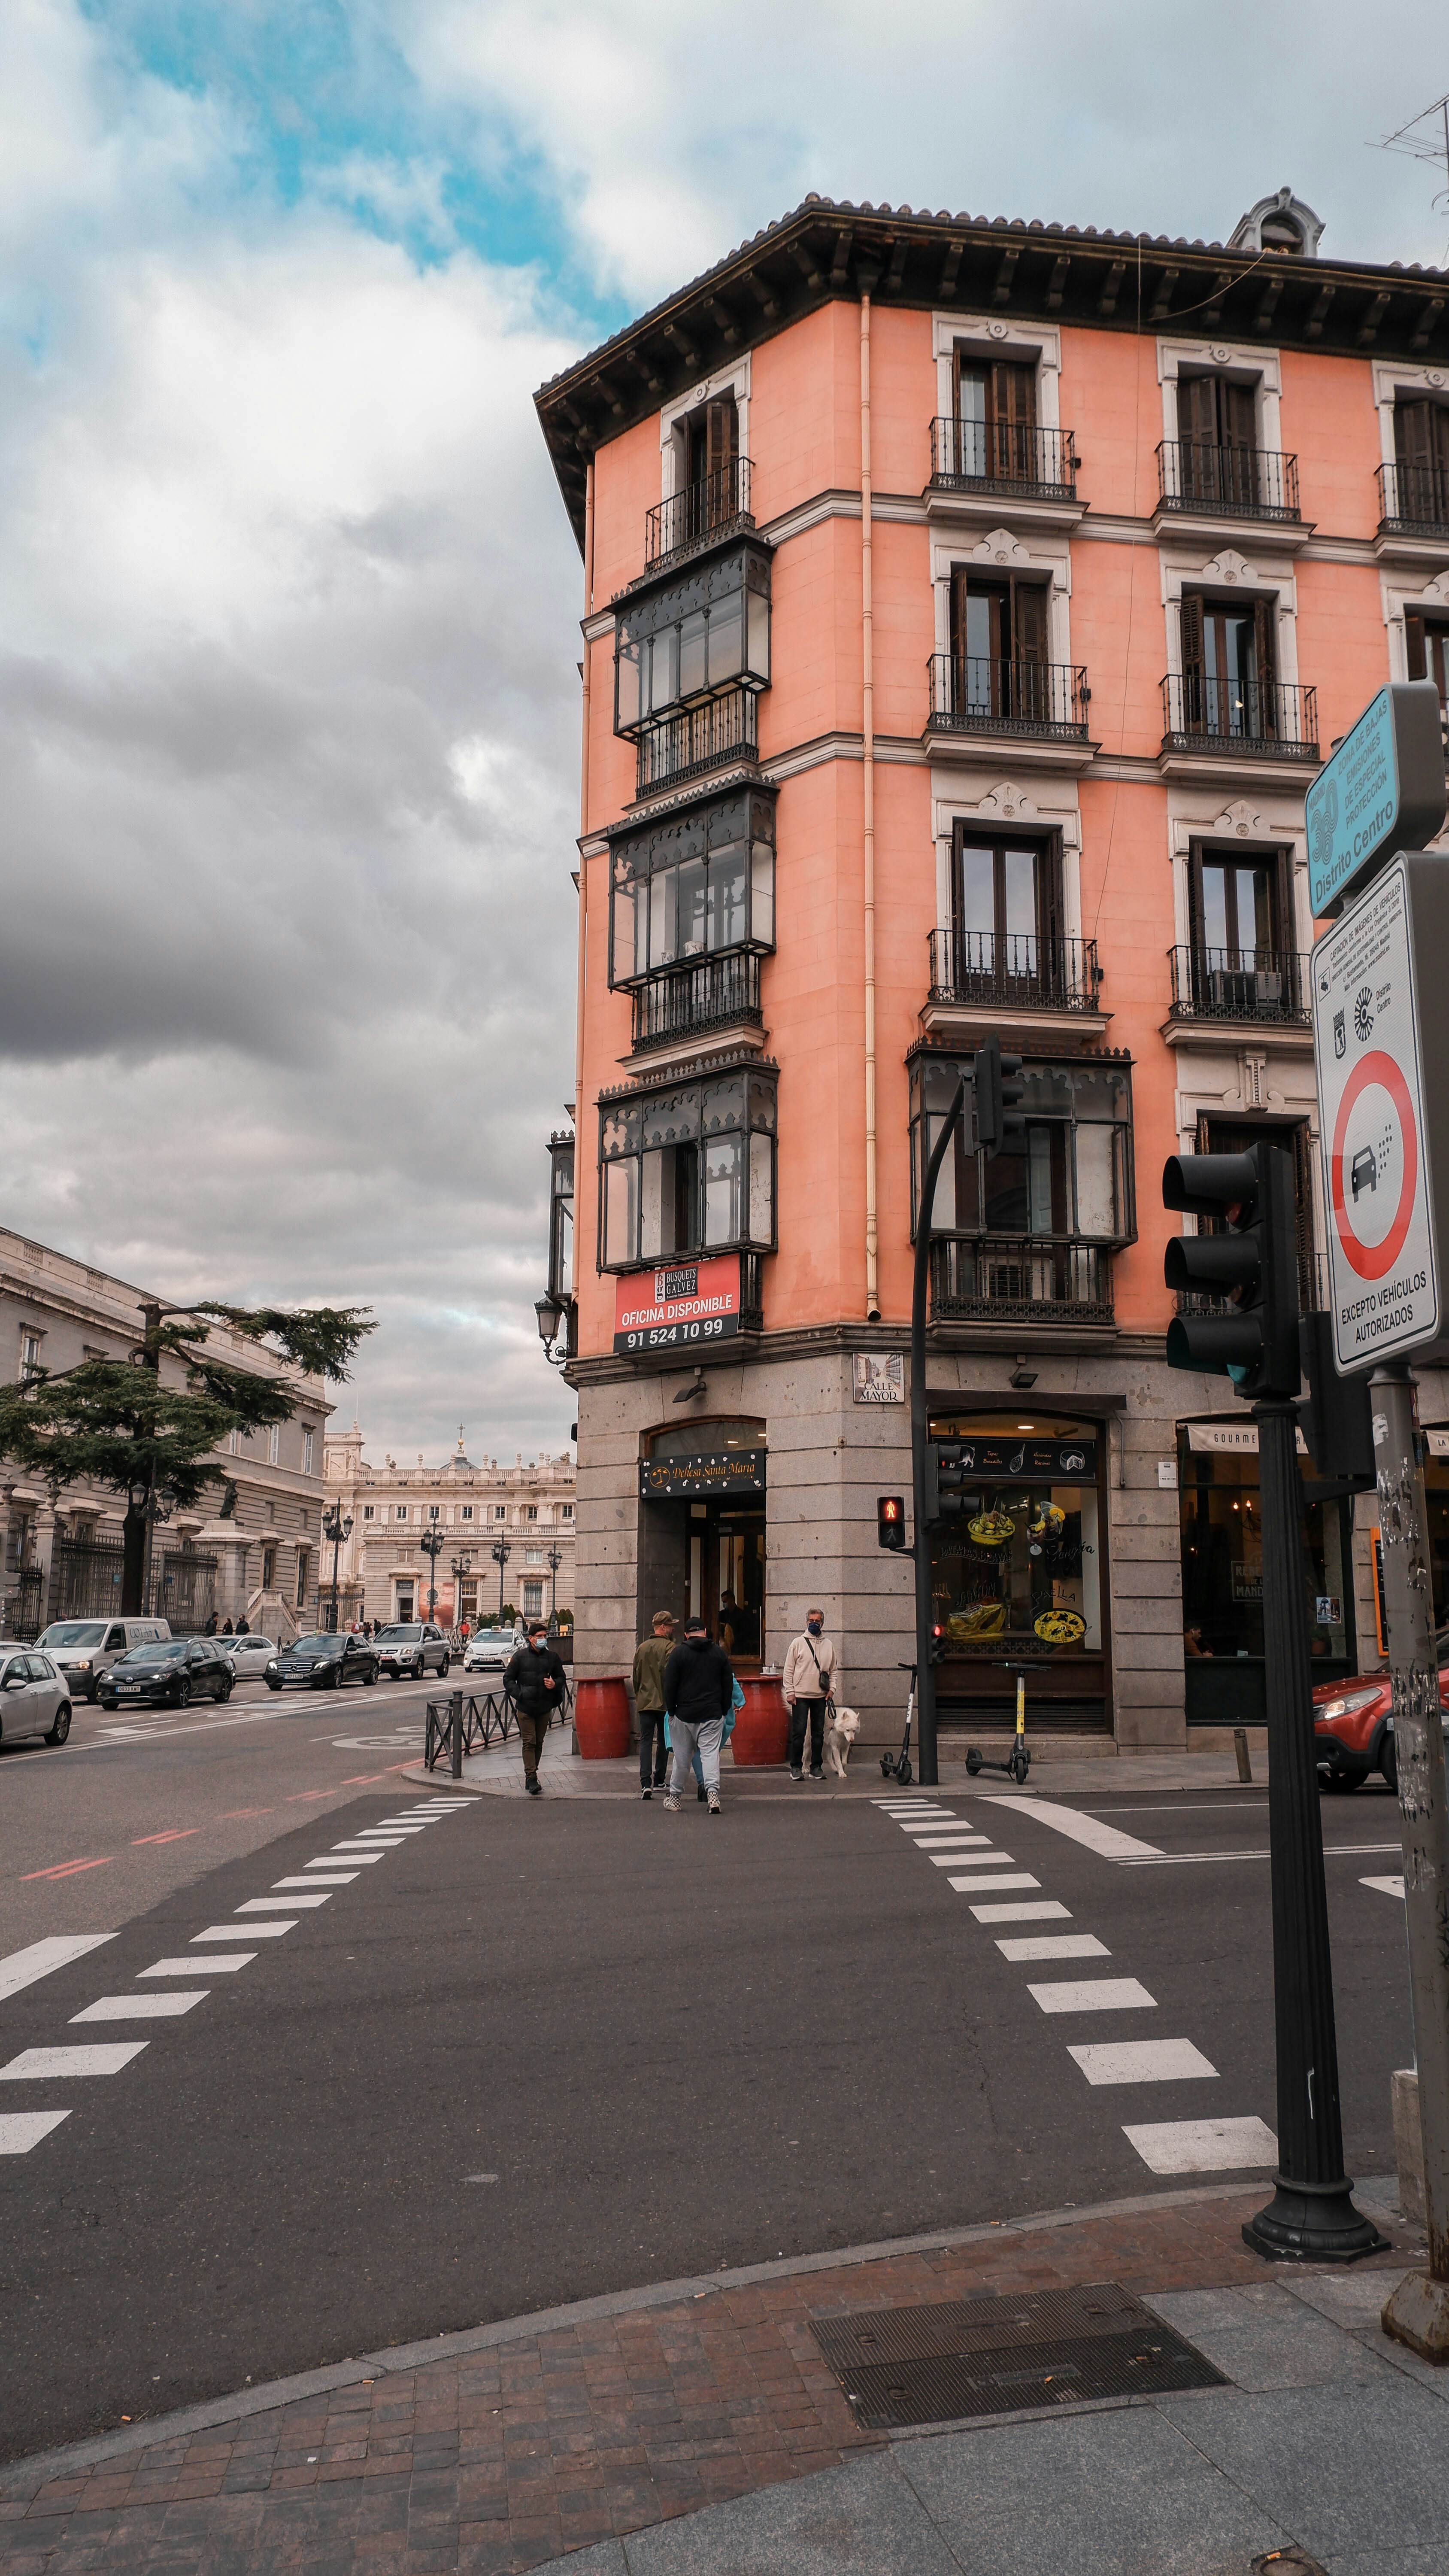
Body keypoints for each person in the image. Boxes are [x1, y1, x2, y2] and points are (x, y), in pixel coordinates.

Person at [662, 1616, 734, 1817]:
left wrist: (672, 1711)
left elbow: (670, 1685)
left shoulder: (678, 1654)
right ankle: (713, 1796)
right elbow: (728, 1684)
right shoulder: (719, 1654)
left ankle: (675, 1797)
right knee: (710, 1755)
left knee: (682, 1758)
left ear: (686, 1634)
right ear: (704, 1632)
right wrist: (723, 1709)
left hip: (684, 1714)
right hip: (712, 1714)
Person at [504, 1618, 567, 1796]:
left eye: (545, 1636)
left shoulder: (552, 1658)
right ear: (530, 1638)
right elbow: (508, 1679)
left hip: (544, 1706)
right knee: (529, 1742)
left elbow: (561, 1678)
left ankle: (532, 1773)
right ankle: (531, 1777)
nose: (543, 1639)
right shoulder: (520, 1657)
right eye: (539, 1636)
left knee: (539, 1743)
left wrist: (554, 1684)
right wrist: (520, 1694)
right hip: (525, 1707)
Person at [782, 1609, 838, 1782]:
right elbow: (789, 1669)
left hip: (821, 1696)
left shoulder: (829, 1645)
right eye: (811, 1620)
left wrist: (832, 1689)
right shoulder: (798, 1643)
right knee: (799, 1733)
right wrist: (790, 1692)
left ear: (823, 1623)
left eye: (818, 1620)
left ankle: (816, 1767)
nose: (814, 1623)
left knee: (818, 1734)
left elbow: (833, 1671)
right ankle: (796, 1768)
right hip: (800, 1695)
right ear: (807, 1622)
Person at [631, 1611, 675, 1800]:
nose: (673, 1628)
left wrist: (640, 1694)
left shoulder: (642, 1648)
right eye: (671, 1625)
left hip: (645, 1701)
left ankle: (645, 1783)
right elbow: (671, 1678)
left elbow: (636, 1676)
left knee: (646, 1741)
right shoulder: (670, 1648)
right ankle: (659, 1779)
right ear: (663, 1627)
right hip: (664, 1702)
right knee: (664, 1742)